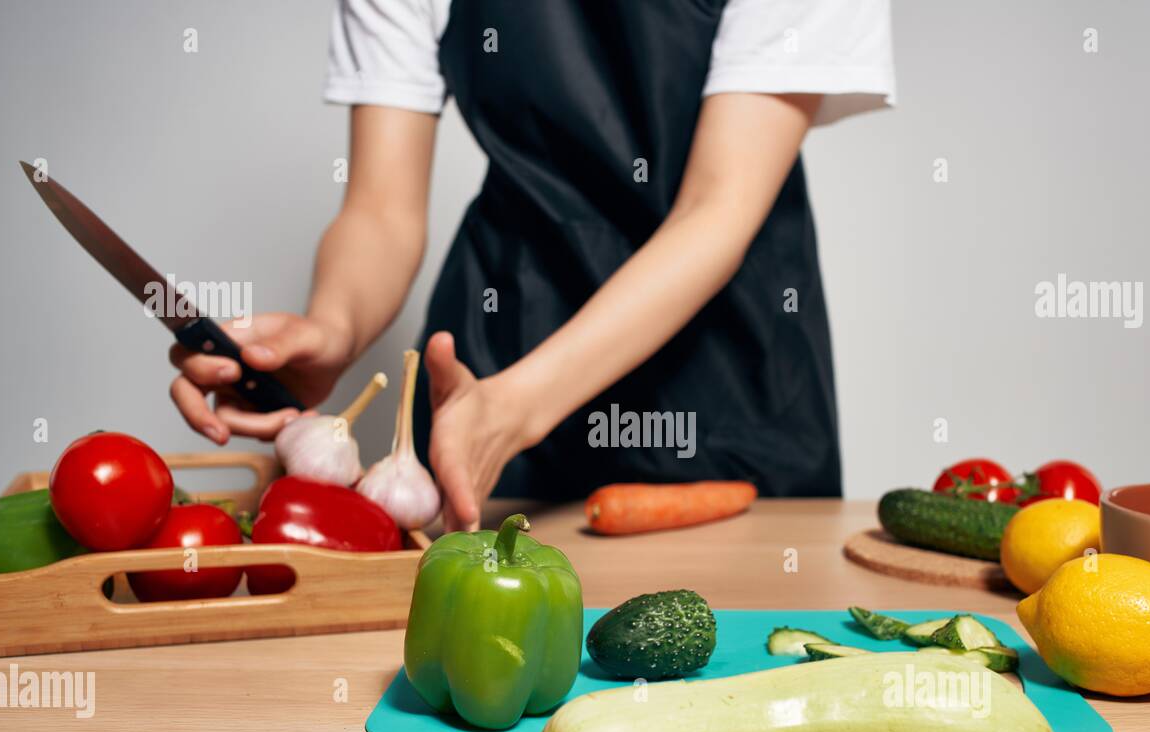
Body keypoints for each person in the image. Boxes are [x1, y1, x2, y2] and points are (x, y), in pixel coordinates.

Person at [168, 0, 895, 531]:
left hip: (735, 392)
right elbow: (381, 211)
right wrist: (334, 325)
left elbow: (716, 211)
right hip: (494, 364)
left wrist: (514, 409)